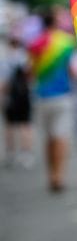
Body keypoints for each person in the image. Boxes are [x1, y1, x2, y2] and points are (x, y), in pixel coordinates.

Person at [27, 7, 76, 193]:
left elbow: (30, 72)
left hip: (42, 96)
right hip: (62, 95)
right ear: (55, 22)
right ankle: (59, 175)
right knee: (61, 137)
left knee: (48, 139)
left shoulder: (35, 43)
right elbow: (71, 71)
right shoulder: (66, 42)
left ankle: (50, 175)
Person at [1, 36, 34, 169]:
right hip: (24, 96)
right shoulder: (26, 58)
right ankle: (26, 154)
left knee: (9, 126)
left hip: (10, 98)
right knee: (25, 125)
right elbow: (31, 77)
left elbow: (2, 83)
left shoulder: (5, 60)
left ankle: (11, 153)